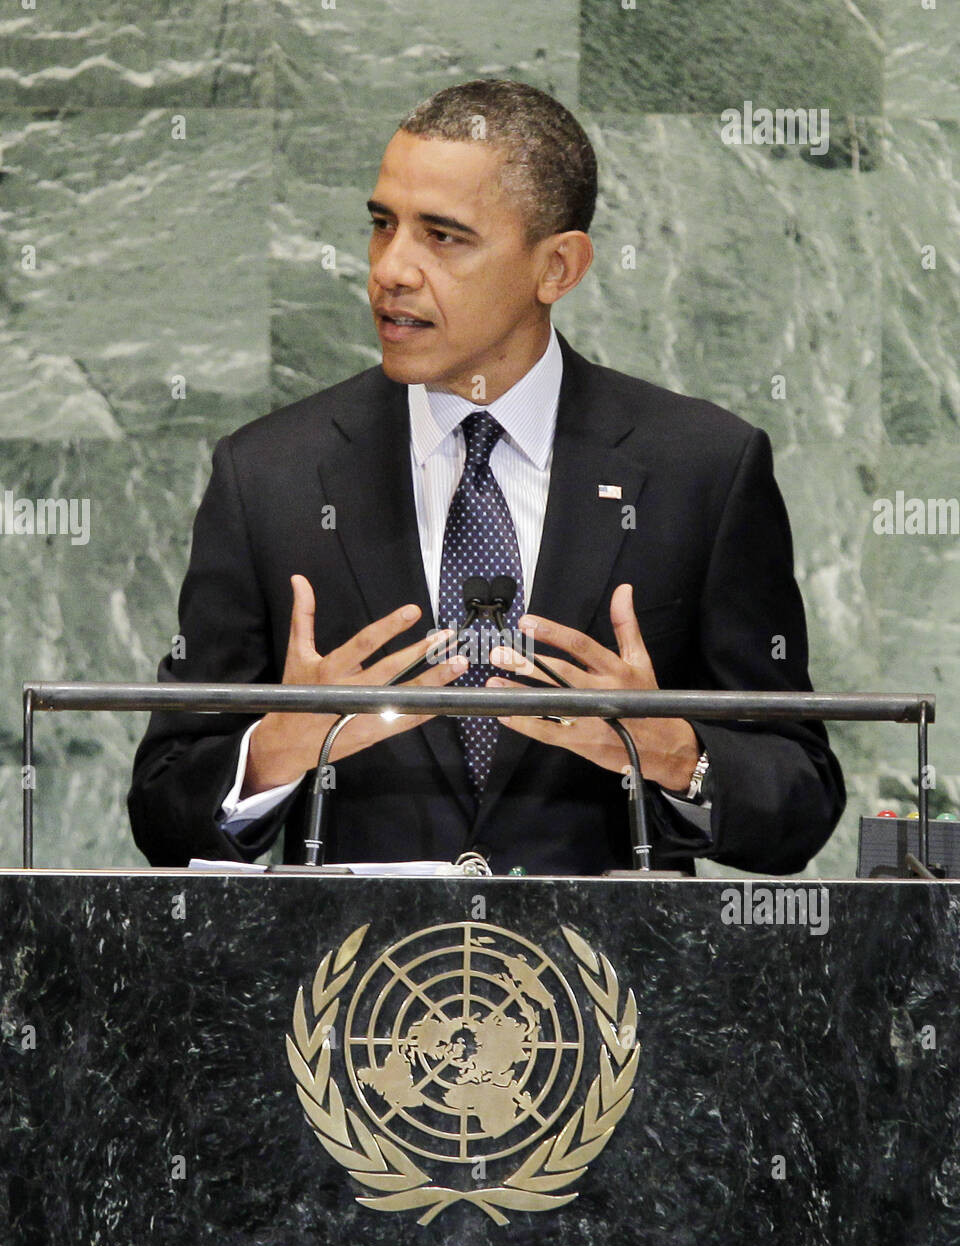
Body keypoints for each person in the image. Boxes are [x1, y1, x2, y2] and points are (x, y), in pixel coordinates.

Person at [128, 79, 845, 876]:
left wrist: (670, 750)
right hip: (354, 988)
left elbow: (801, 800)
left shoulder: (701, 469)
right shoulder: (268, 475)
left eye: (443, 237)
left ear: (557, 267)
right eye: (381, 226)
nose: (391, 270)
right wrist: (275, 748)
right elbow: (162, 809)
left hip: (613, 989)